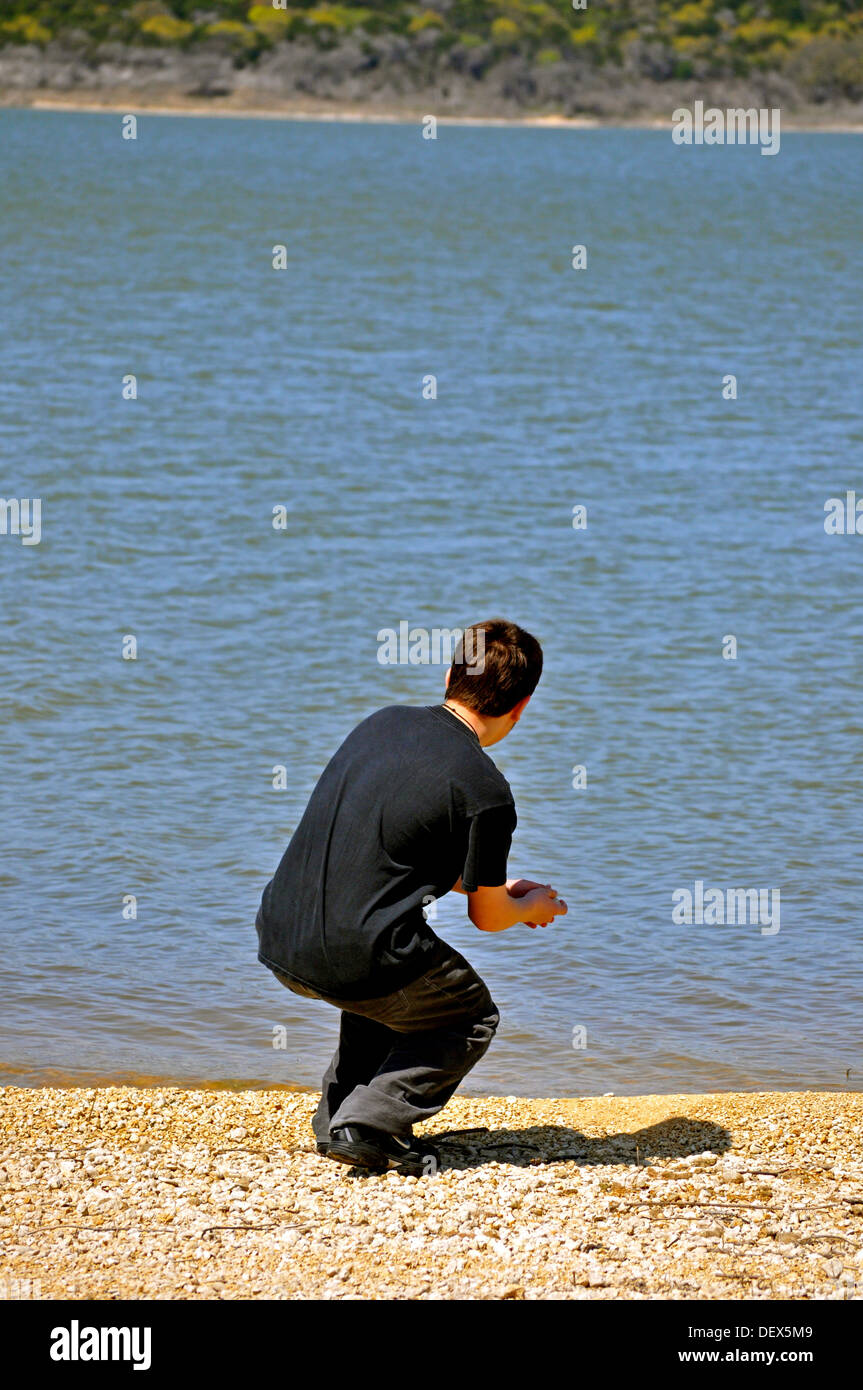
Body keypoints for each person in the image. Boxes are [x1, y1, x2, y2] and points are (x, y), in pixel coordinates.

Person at [255, 618, 567, 1175]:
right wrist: (529, 907)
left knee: (395, 983)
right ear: (521, 708)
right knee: (469, 1016)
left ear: (449, 676)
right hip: (355, 955)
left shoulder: (382, 724)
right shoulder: (486, 791)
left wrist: (501, 884)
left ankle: (339, 1120)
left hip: (282, 932)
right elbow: (488, 917)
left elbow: (392, 853)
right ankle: (371, 1124)